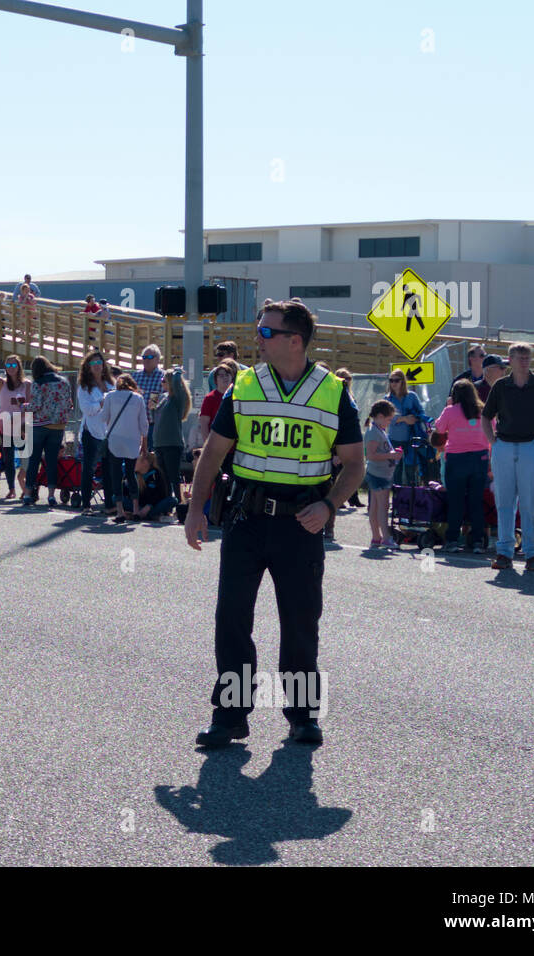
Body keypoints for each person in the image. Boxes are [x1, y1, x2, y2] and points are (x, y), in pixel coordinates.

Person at [184, 297, 364, 748]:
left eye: (266, 332)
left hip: (301, 525)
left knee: (300, 623)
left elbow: (355, 465)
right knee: (231, 621)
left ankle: (303, 716)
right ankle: (230, 716)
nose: (257, 340)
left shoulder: (332, 392)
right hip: (246, 518)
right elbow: (214, 453)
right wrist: (194, 508)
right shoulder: (243, 387)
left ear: (295, 340)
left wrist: (329, 505)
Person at [482, 342, 534, 572]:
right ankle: (504, 552)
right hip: (504, 446)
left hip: (531, 448)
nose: (524, 361)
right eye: (520, 357)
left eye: (527, 357)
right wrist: (492, 442)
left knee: (529, 502)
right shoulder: (501, 386)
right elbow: (486, 417)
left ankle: (532, 554)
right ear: (511, 360)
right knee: (504, 503)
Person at [434, 380, 491, 553]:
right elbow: (491, 432)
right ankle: (477, 541)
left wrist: (449, 406)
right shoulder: (483, 411)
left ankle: (452, 539)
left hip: (456, 458)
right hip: (479, 458)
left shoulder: (450, 411)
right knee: (476, 501)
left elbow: (439, 428)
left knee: (456, 501)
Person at [20, 355, 73, 507]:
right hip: (58, 426)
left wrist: (23, 406)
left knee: (34, 461)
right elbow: (69, 403)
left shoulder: (38, 383)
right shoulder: (64, 382)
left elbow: (35, 405)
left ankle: (28, 494)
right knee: (51, 462)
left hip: (40, 425)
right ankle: (51, 495)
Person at [96, 373, 149, 521]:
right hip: (133, 441)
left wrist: (102, 407)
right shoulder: (138, 398)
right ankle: (136, 509)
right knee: (131, 474)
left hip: (115, 440)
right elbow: (144, 424)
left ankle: (120, 511)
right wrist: (144, 445)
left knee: (116, 475)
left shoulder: (110, 397)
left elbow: (103, 418)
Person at [0, 354, 30, 499]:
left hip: (21, 427)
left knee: (27, 457)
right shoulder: (1, 383)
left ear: (19, 367)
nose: (11, 368)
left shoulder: (26, 384)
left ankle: (27, 486)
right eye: (8, 366)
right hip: (5, 427)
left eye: (14, 365)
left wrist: (22, 420)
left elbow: (31, 405)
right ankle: (11, 489)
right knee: (8, 459)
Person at [76, 351, 114, 515]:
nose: (97, 366)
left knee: (109, 469)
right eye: (93, 363)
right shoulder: (84, 387)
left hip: (109, 432)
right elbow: (88, 410)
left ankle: (109, 504)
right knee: (89, 469)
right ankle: (86, 504)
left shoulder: (111, 384)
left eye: (99, 362)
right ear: (87, 367)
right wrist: (103, 401)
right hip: (91, 432)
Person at [364, 400, 402, 549]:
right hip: (378, 474)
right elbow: (371, 455)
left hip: (380, 473)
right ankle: (386, 537)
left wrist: (392, 454)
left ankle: (376, 537)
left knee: (374, 506)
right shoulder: (374, 432)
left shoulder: (378, 430)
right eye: (388, 419)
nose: (389, 422)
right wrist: (391, 456)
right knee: (382, 507)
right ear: (379, 416)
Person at [153, 367, 191, 504]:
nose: (162, 383)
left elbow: (176, 382)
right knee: (163, 478)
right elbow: (155, 418)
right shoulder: (163, 398)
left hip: (172, 444)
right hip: (159, 443)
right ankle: (168, 504)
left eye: (164, 381)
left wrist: (176, 373)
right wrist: (152, 407)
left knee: (173, 476)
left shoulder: (177, 398)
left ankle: (180, 503)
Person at [385, 368, 430, 484]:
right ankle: (397, 496)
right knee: (396, 469)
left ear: (402, 382)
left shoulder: (412, 396)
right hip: (395, 439)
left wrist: (415, 417)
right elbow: (385, 418)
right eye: (391, 380)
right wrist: (404, 419)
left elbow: (421, 412)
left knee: (411, 469)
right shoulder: (387, 399)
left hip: (411, 438)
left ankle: (411, 496)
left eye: (396, 380)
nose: (393, 383)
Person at [331, 368, 363, 510]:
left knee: (351, 468)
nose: (346, 380)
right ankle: (337, 499)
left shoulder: (350, 395)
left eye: (348, 378)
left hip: (349, 437)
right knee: (337, 472)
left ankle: (353, 498)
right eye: (343, 378)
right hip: (337, 439)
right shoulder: (336, 394)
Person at [195, 360, 236, 448]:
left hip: (234, 447)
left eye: (227, 375)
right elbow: (204, 424)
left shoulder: (237, 397)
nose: (225, 377)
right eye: (221, 375)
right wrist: (208, 445)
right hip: (216, 446)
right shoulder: (210, 398)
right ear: (215, 380)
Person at [134, 344, 164, 446]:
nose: (146, 360)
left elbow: (162, 401)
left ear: (158, 359)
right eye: (144, 357)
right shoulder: (135, 376)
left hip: (154, 426)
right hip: (135, 425)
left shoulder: (164, 377)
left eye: (150, 357)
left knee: (152, 458)